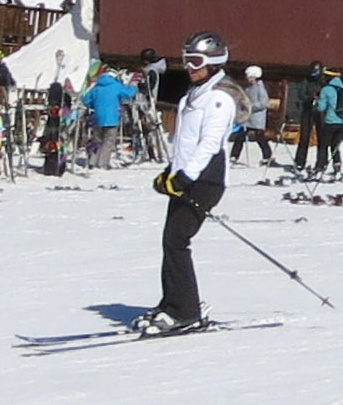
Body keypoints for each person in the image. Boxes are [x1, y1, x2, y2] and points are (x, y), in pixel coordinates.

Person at [143, 33, 237, 335]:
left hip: (206, 179)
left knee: (177, 240)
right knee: (170, 240)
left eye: (196, 62)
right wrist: (171, 172)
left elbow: (209, 144)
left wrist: (186, 176)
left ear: (213, 64)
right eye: (186, 61)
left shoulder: (219, 99)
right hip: (187, 179)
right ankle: (173, 303)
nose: (189, 67)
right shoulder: (190, 97)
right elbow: (185, 143)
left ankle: (186, 311)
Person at [84, 66, 132, 168]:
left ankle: (92, 161)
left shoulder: (96, 87)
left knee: (96, 140)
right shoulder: (116, 86)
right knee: (108, 141)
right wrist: (134, 87)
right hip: (112, 118)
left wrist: (94, 105)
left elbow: (86, 100)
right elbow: (129, 94)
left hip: (97, 117)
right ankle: (102, 163)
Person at [231, 66, 276, 166]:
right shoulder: (249, 87)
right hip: (248, 118)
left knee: (260, 138)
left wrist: (251, 107)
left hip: (257, 118)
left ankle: (267, 156)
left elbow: (264, 102)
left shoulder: (260, 87)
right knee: (240, 137)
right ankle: (234, 156)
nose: (247, 79)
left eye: (249, 77)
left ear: (254, 76)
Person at [313, 70, 343, 176]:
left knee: (324, 145)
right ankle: (337, 166)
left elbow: (321, 108)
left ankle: (320, 167)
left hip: (331, 121)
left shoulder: (326, 90)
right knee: (335, 145)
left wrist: (316, 102)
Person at [292, 63, 325, 172]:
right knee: (304, 136)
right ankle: (300, 162)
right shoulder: (306, 81)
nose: (314, 75)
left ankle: (321, 163)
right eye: (312, 72)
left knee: (322, 137)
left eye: (316, 72)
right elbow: (301, 94)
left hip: (321, 111)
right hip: (308, 110)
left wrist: (320, 98)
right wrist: (310, 98)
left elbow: (327, 95)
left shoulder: (324, 81)